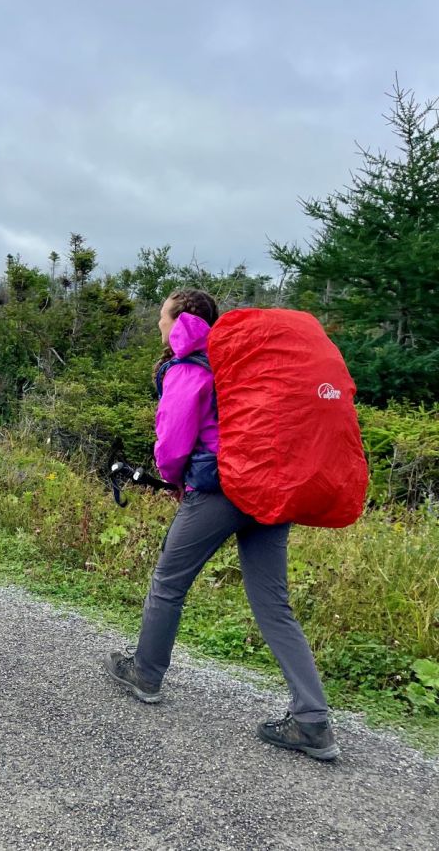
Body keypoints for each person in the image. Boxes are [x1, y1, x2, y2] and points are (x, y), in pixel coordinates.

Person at [105, 289, 338, 760]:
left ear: (178, 320)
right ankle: (312, 720)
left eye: (161, 315)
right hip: (271, 485)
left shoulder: (189, 364)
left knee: (169, 581)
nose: (158, 325)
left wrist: (174, 480)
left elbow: (172, 441)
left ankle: (146, 674)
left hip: (221, 487)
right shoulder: (240, 360)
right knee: (273, 602)